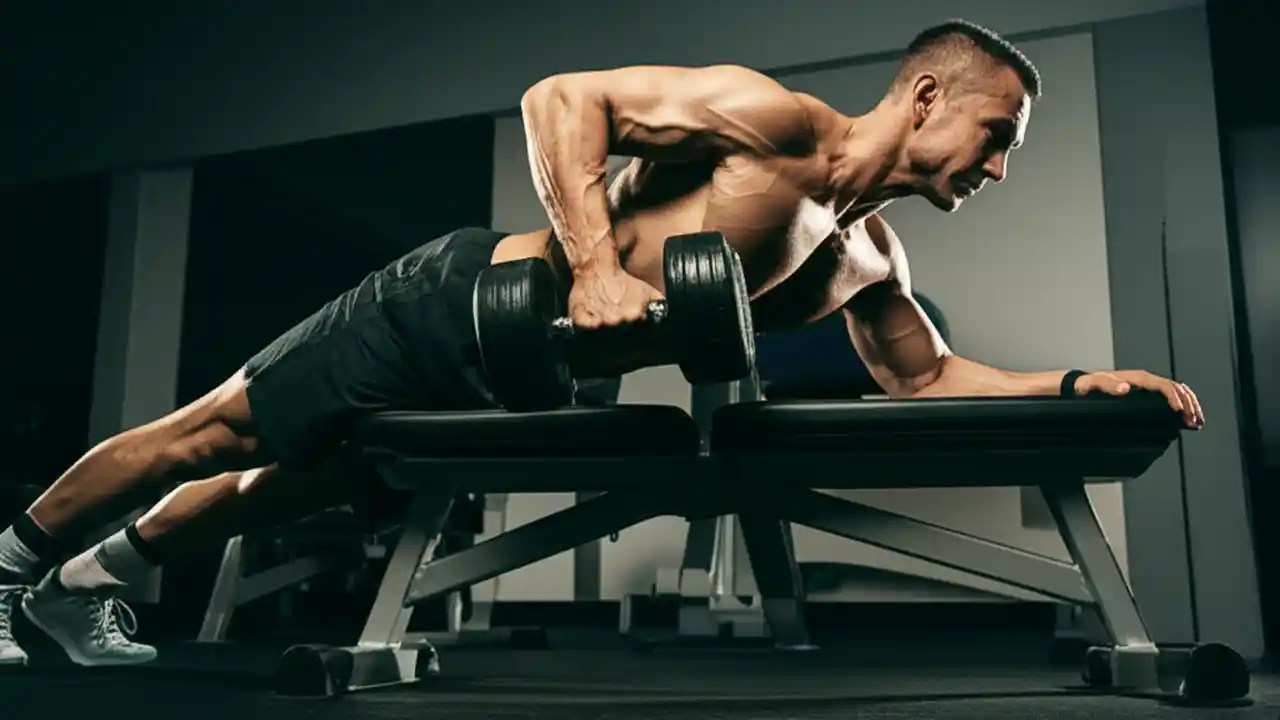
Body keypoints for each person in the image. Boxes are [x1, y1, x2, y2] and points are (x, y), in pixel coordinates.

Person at [0, 18, 1204, 668]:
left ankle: (80, 593)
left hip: (513, 384)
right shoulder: (769, 122)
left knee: (270, 494)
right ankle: (7, 572)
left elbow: (923, 375)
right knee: (209, 434)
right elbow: (559, 98)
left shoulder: (867, 259)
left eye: (1009, 156)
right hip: (459, 305)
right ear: (929, 95)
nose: (993, 168)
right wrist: (589, 263)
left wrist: (1079, 379)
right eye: (994, 134)